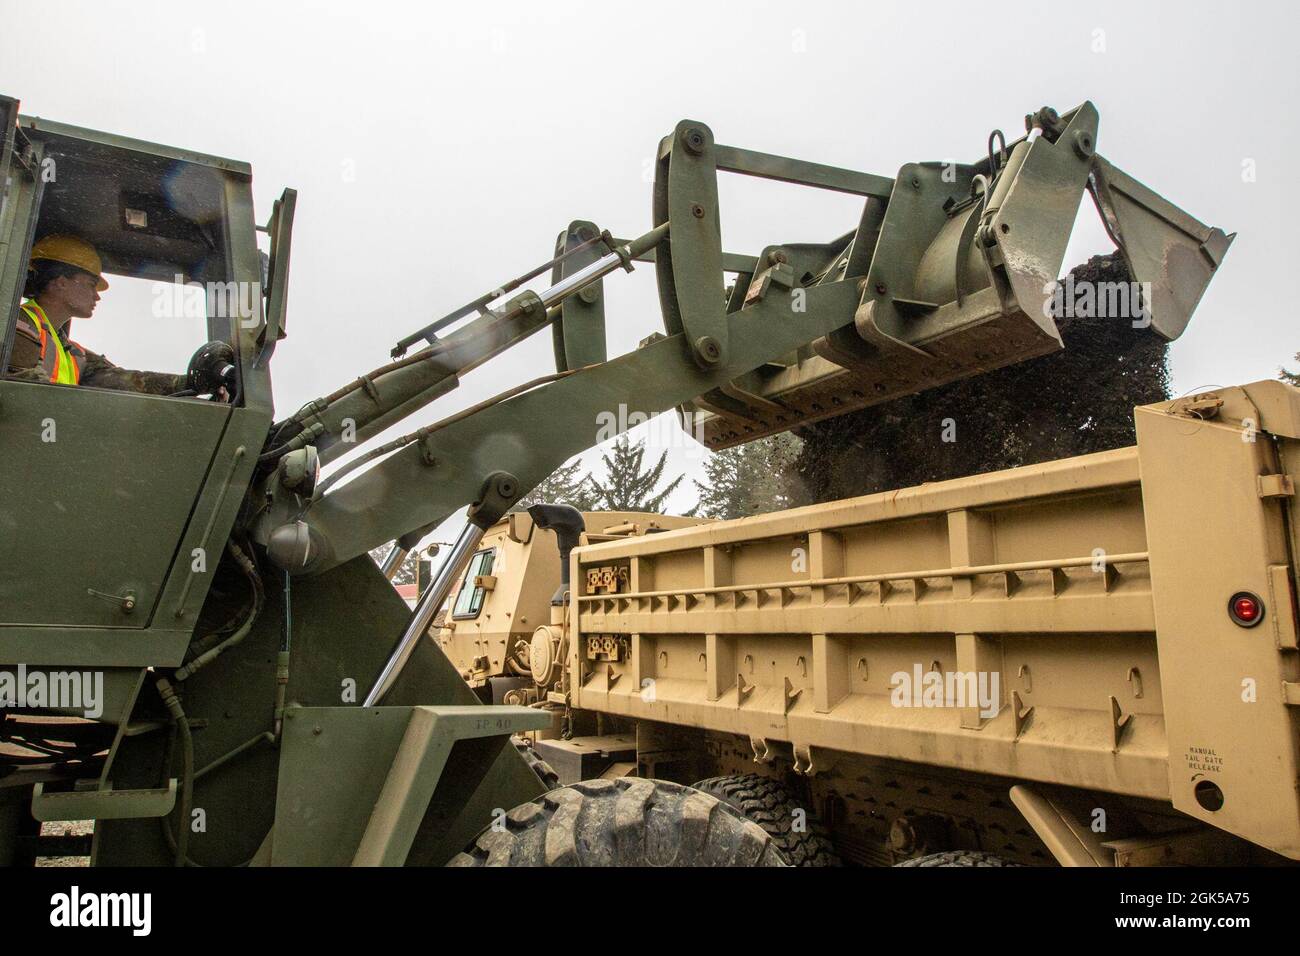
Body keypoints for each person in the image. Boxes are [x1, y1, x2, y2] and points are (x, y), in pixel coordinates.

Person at [7, 234, 233, 396]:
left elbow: (128, 382)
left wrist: (193, 384)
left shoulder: (72, 352)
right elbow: (27, 393)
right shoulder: (16, 327)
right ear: (60, 282)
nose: (97, 296)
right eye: (91, 284)